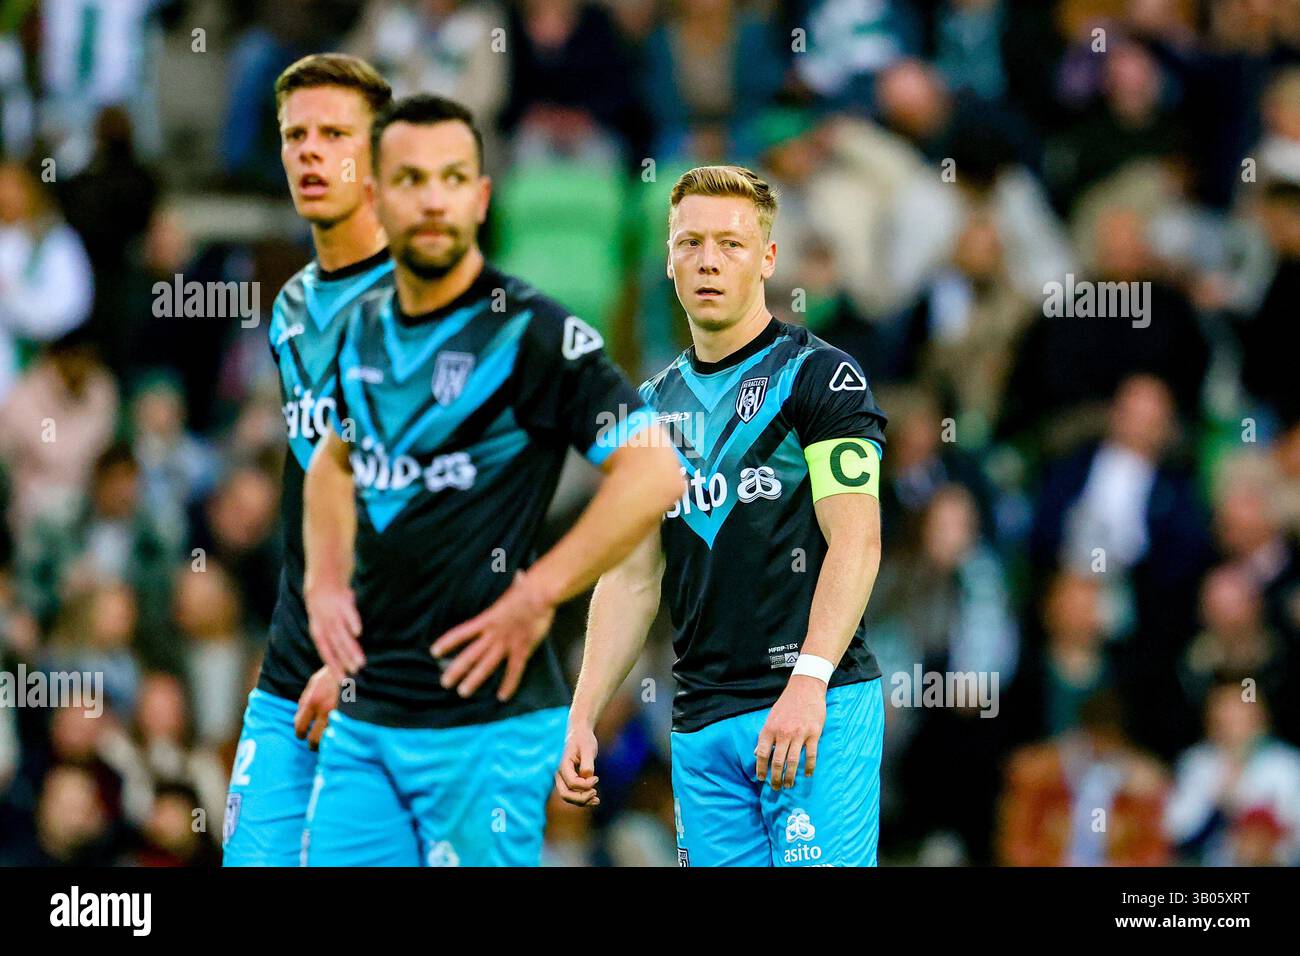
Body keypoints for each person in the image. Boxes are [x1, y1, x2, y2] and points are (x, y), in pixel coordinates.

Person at [300, 94, 683, 866]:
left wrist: (538, 592)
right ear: (375, 195)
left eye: (453, 178)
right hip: (367, 717)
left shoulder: (532, 334)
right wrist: (328, 592)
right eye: (411, 178)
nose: (434, 198)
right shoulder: (356, 326)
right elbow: (333, 463)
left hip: (487, 726)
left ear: (482, 199)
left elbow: (655, 470)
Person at [556, 165, 889, 866]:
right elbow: (630, 579)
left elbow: (855, 542)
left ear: (768, 259)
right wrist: (583, 712)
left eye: (732, 244)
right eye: (691, 243)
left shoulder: (821, 377)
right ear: (669, 260)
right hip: (703, 725)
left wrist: (809, 681)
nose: (709, 260)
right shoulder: (648, 410)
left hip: (813, 710)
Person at [221, 53, 394, 867]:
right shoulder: (291, 306)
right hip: (290, 678)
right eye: (296, 135)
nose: (310, 153)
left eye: (335, 134)